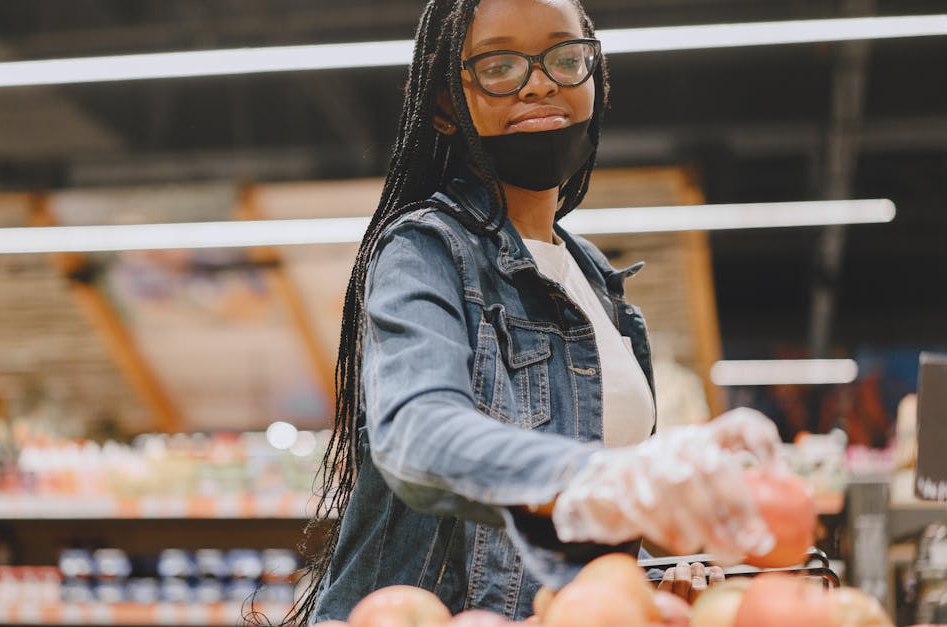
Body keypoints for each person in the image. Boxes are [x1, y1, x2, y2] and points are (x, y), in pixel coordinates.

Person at [289, 0, 784, 623]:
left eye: (565, 56)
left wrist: (677, 486)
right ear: (446, 105)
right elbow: (416, 432)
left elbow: (570, 536)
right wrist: (600, 475)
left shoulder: (598, 285)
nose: (541, 81)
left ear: (596, 79)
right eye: (499, 66)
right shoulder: (425, 250)